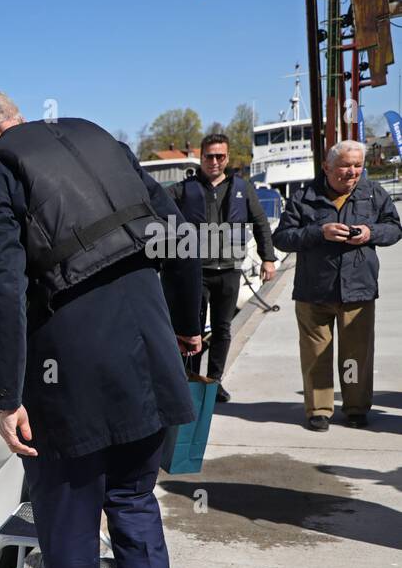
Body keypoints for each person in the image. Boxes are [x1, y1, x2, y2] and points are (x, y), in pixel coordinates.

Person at [0, 89, 202, 568]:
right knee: (135, 504)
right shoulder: (101, 140)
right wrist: (188, 323)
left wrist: (5, 394)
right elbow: (179, 236)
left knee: (68, 526)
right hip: (147, 348)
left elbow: (1, 291)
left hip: (67, 369)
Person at [271, 139, 400, 430]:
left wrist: (370, 232)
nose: (352, 172)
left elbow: (394, 228)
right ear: (327, 167)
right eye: (345, 166)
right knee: (316, 354)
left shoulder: (373, 193)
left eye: (357, 165)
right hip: (314, 290)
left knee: (355, 356)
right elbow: (282, 238)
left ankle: (355, 407)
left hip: (358, 289)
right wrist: (319, 232)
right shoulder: (304, 197)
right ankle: (318, 410)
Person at [170, 133, 278, 401]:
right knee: (192, 329)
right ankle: (190, 380)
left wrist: (268, 258)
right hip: (197, 272)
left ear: (227, 158)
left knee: (222, 328)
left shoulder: (243, 188)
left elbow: (260, 223)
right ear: (201, 158)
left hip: (229, 270)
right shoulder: (183, 190)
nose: (215, 161)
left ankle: (215, 381)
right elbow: (156, 209)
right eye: (210, 156)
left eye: (220, 156)